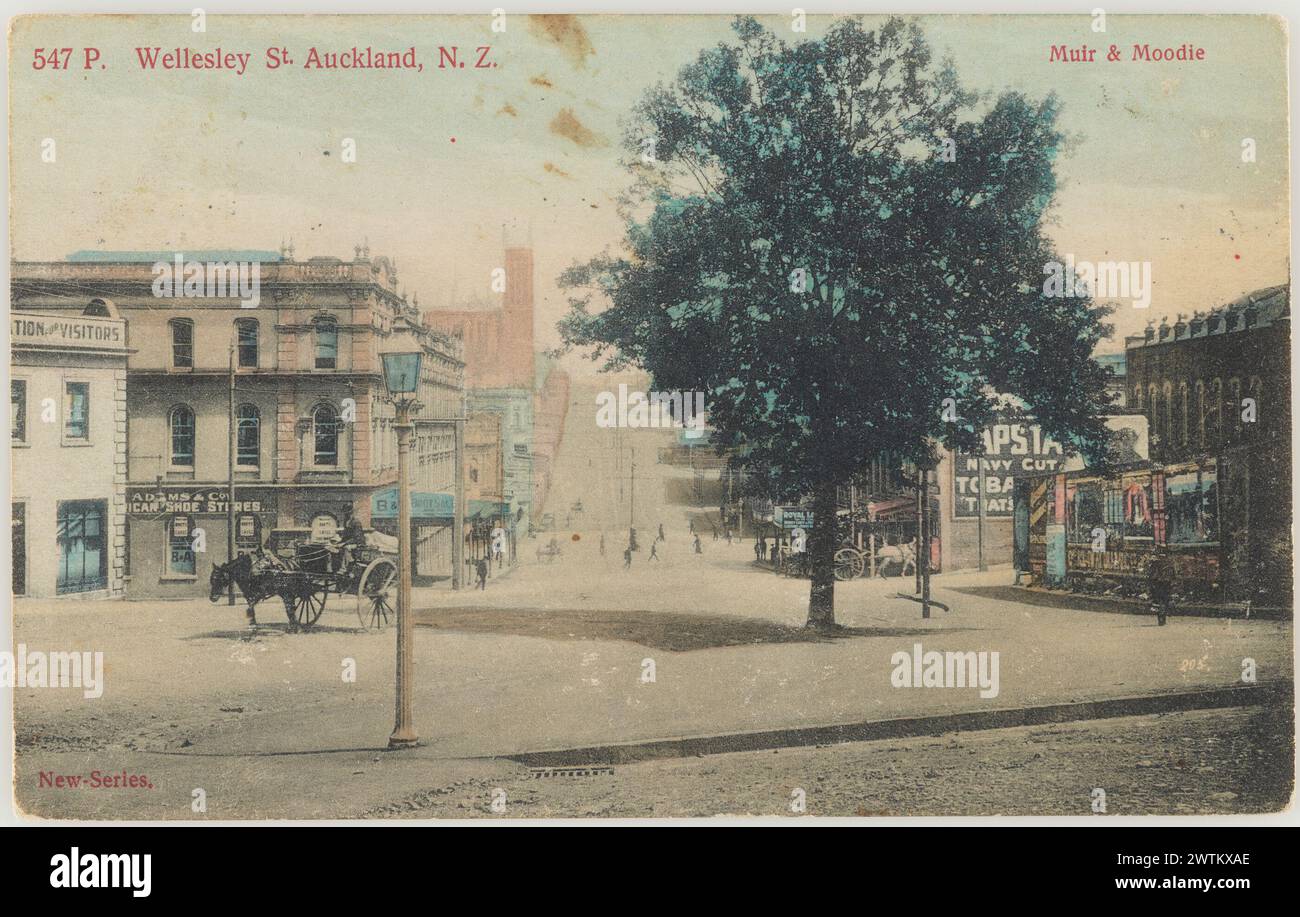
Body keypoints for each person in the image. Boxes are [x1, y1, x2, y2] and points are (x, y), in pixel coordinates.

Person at [1148, 546, 1174, 626]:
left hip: (1158, 583)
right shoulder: (1169, 562)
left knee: (1158, 600)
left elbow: (1152, 575)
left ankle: (1161, 618)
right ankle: (1164, 617)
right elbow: (1173, 574)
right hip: (1167, 583)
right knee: (1166, 600)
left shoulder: (1155, 563)